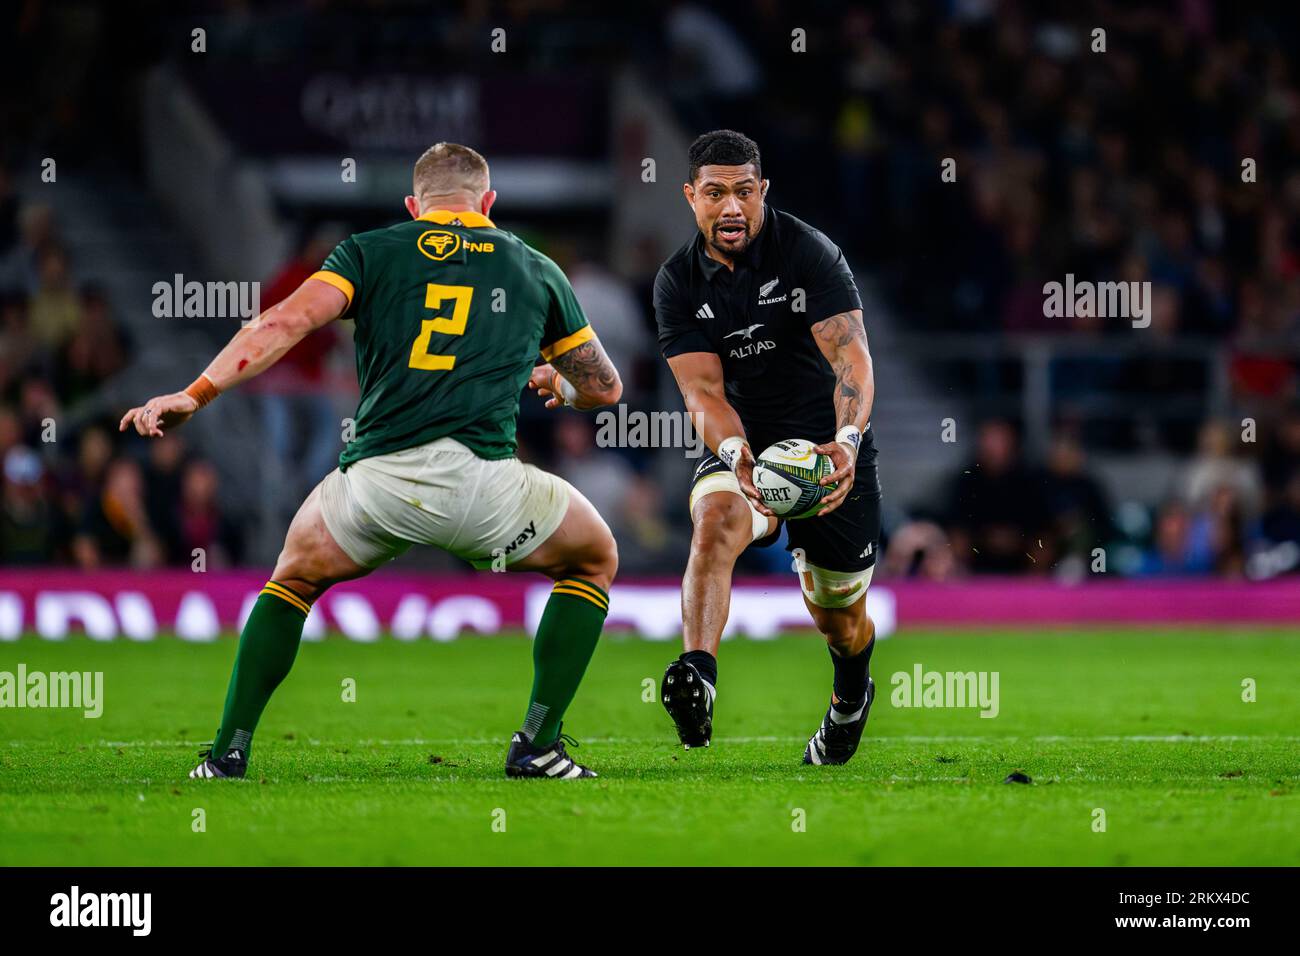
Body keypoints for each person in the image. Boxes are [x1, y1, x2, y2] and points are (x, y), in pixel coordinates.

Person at [121, 143, 623, 781]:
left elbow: (282, 323)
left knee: (293, 579)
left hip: (376, 486)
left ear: (414, 207)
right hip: (486, 493)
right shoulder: (535, 269)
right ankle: (537, 745)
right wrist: (559, 383)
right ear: (488, 204)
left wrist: (195, 395)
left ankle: (227, 754)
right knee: (594, 556)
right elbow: (606, 389)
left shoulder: (370, 250)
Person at [653, 130, 881, 765]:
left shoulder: (810, 253)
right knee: (715, 523)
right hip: (746, 445)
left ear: (764, 193)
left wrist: (846, 442)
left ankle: (851, 695)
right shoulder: (676, 283)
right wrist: (737, 457)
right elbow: (702, 392)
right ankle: (698, 673)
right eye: (716, 193)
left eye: (745, 192)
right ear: (690, 197)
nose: (732, 207)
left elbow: (850, 359)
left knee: (839, 618)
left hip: (827, 450)